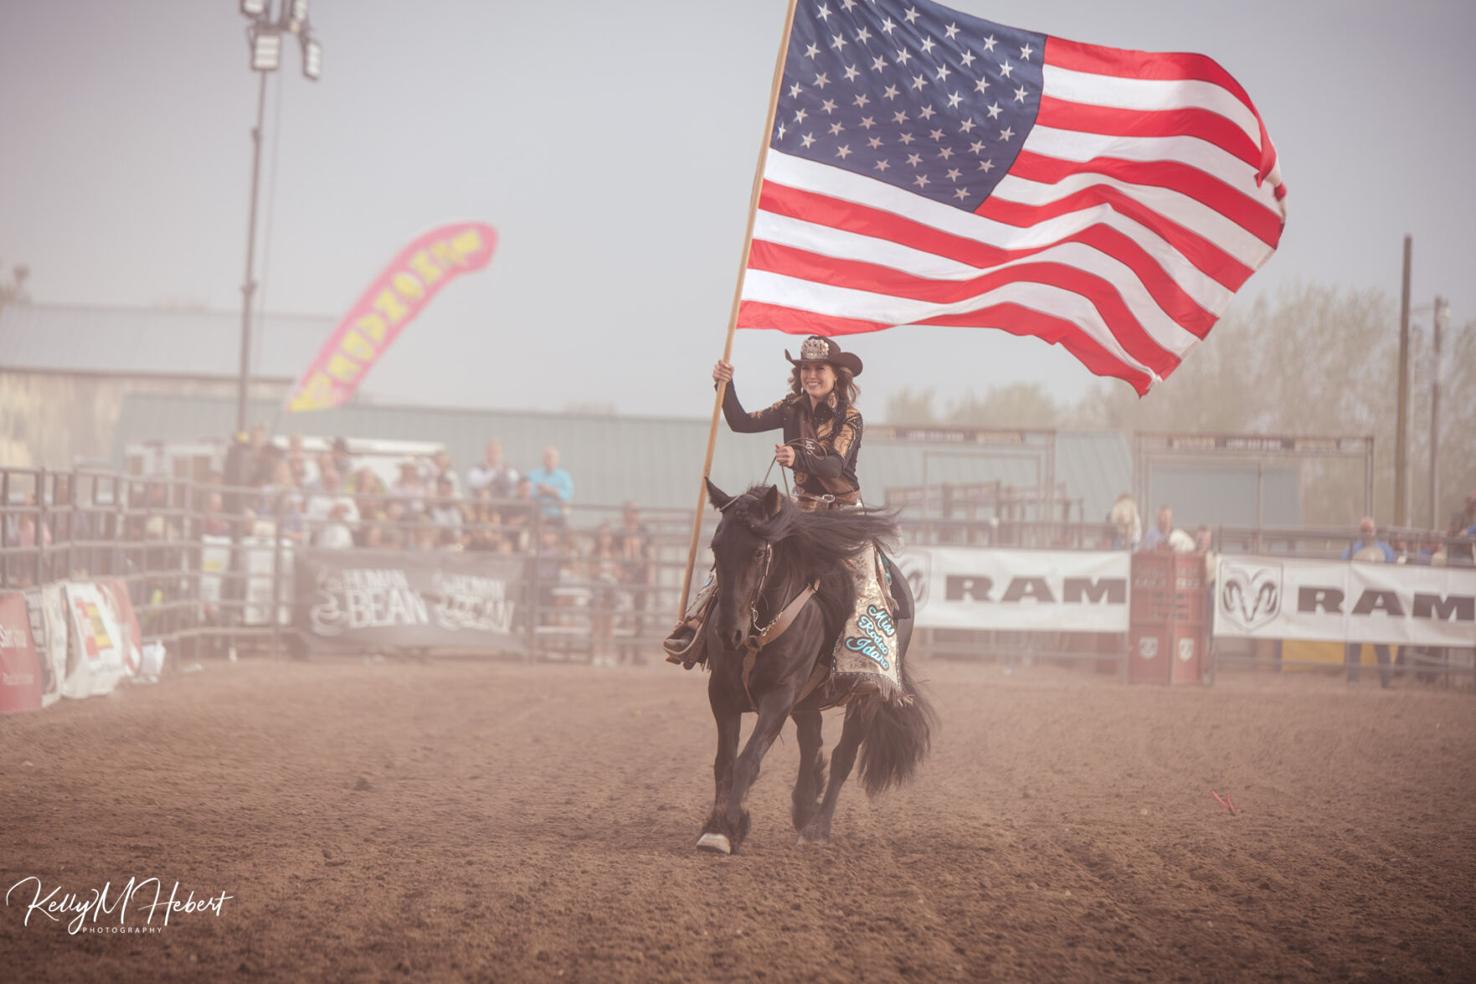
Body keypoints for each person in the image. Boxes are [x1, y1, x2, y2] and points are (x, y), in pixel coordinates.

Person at [663, 334, 875, 663]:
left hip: (843, 514)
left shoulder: (850, 417)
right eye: (806, 368)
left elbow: (836, 463)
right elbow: (741, 422)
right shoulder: (791, 408)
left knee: (866, 582)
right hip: (801, 510)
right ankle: (697, 623)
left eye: (820, 368)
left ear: (837, 376)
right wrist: (726, 386)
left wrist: (798, 458)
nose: (812, 375)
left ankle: (866, 658)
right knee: (740, 551)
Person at [1341, 516, 1394, 687]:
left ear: (1375, 531)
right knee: (1355, 640)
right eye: (1364, 530)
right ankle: (1353, 679)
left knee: (1381, 642)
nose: (1367, 533)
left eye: (1369, 530)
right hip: (1358, 599)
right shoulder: (1352, 549)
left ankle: (1386, 680)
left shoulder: (1385, 549)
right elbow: (1342, 567)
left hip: (1379, 601)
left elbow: (1395, 569)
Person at [527, 446, 574, 524]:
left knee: (569, 530)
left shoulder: (564, 477)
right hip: (538, 515)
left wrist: (551, 491)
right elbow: (528, 494)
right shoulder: (533, 475)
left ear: (557, 460)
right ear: (543, 459)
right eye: (547, 457)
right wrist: (540, 493)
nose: (550, 460)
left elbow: (568, 495)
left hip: (558, 515)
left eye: (552, 457)